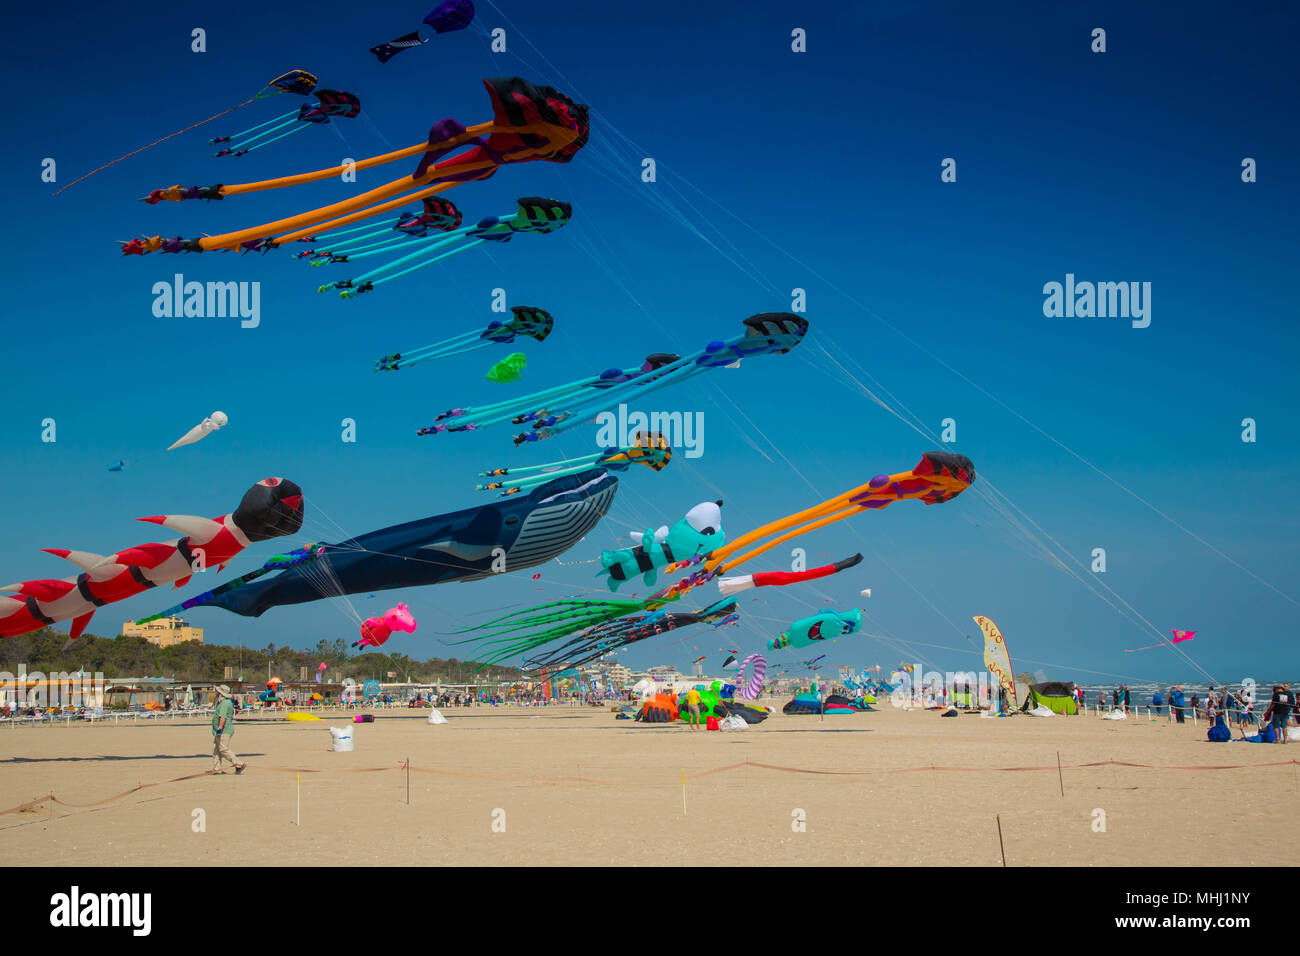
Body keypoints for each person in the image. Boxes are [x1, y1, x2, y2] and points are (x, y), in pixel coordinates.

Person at [210, 685, 245, 775]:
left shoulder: (225, 703)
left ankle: (238, 763)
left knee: (223, 749)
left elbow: (223, 717)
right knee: (216, 750)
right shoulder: (221, 703)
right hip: (220, 730)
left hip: (224, 730)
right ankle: (216, 768)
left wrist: (219, 727)